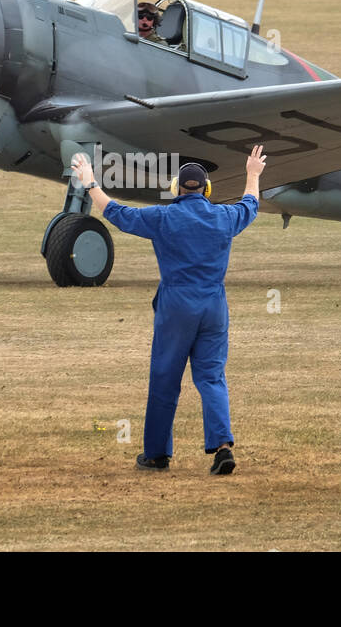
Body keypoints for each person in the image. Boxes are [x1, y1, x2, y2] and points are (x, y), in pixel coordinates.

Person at [70, 145, 267, 475]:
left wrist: (90, 183)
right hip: (214, 307)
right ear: (207, 190)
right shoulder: (224, 217)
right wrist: (252, 174)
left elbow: (117, 213)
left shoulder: (162, 217)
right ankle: (222, 448)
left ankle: (157, 454)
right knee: (211, 378)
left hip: (176, 307)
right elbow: (251, 204)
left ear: (176, 189)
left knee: (165, 380)